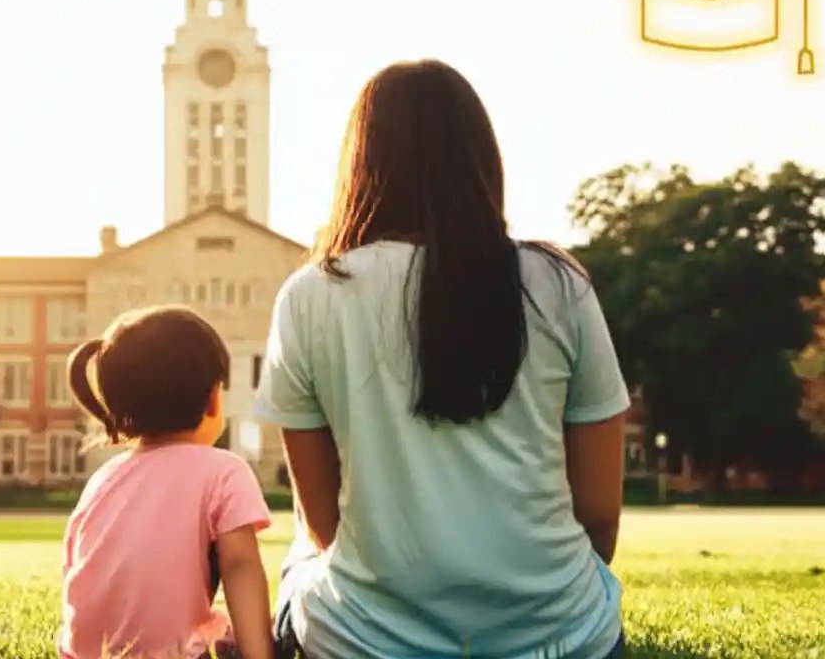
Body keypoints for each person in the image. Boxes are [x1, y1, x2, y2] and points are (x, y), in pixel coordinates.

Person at [254, 59, 629, 659]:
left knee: (301, 553)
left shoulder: (310, 295)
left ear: (360, 163)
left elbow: (323, 525)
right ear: (481, 159)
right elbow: (600, 518)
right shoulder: (559, 285)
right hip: (564, 635)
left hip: (366, 641)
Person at [59, 306, 273, 659]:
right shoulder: (223, 470)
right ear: (213, 399)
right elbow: (240, 567)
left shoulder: (101, 480)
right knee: (280, 626)